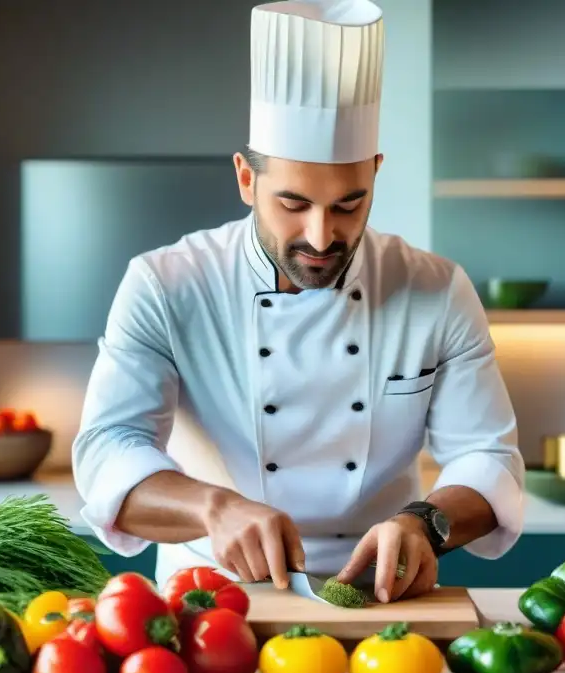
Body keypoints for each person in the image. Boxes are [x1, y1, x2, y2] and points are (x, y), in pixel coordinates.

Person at [72, 0, 525, 604]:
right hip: (212, 599)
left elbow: (487, 458)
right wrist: (212, 508)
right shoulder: (166, 283)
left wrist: (424, 524)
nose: (321, 235)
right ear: (246, 179)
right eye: (293, 204)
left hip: (378, 599)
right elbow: (107, 452)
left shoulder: (435, 289)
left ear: (375, 174)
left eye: (348, 205)